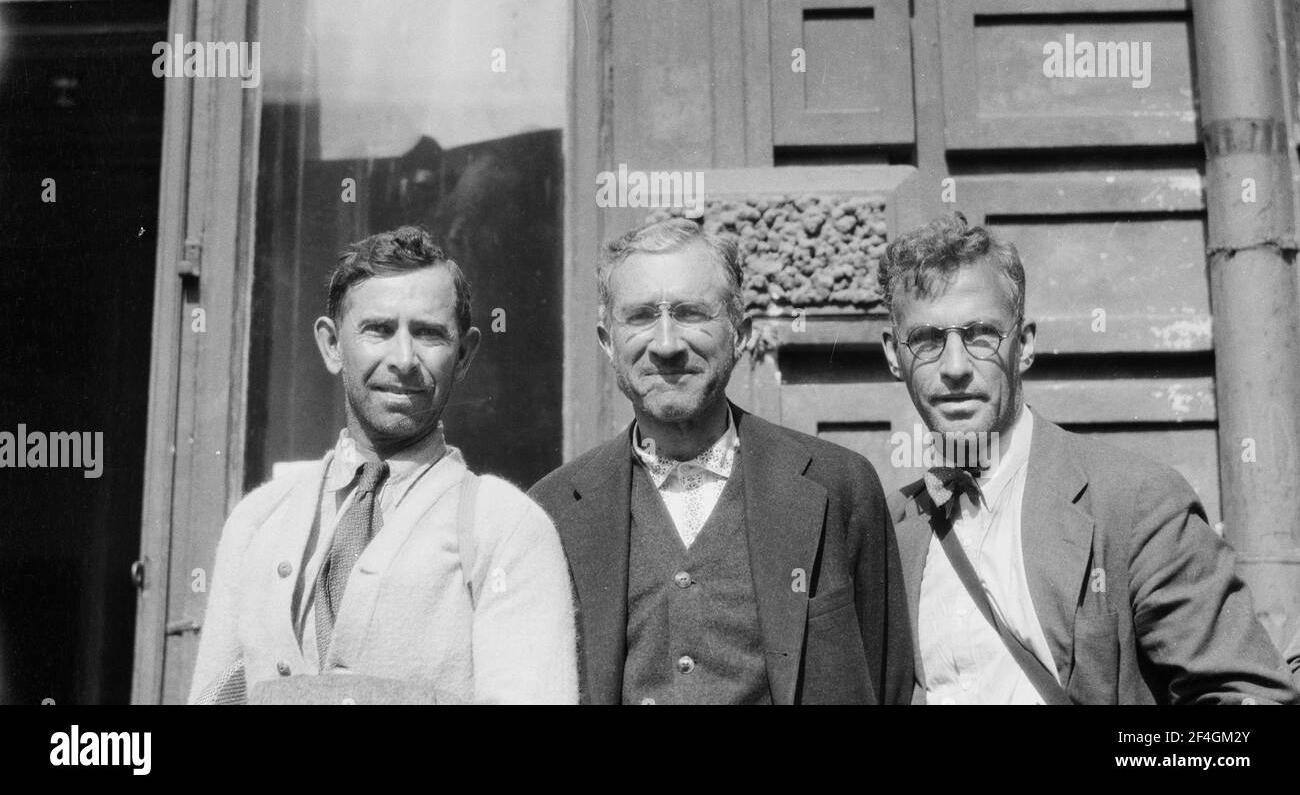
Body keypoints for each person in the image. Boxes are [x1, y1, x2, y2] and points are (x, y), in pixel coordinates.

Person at [881, 213, 1298, 704]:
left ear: (1025, 345)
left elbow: (1243, 696)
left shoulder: (1134, 503)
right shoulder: (889, 530)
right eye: (927, 340)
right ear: (894, 355)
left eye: (980, 335)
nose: (954, 368)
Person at [529, 218, 912, 704]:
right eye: (642, 317)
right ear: (607, 342)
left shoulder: (839, 488)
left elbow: (889, 683)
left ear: (741, 333)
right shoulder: (553, 512)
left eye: (691, 314)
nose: (666, 344)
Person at [189, 225, 577, 704]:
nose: (404, 358)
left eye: (429, 334)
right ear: (332, 345)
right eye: (378, 329)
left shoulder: (506, 528)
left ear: (464, 356)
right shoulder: (258, 521)